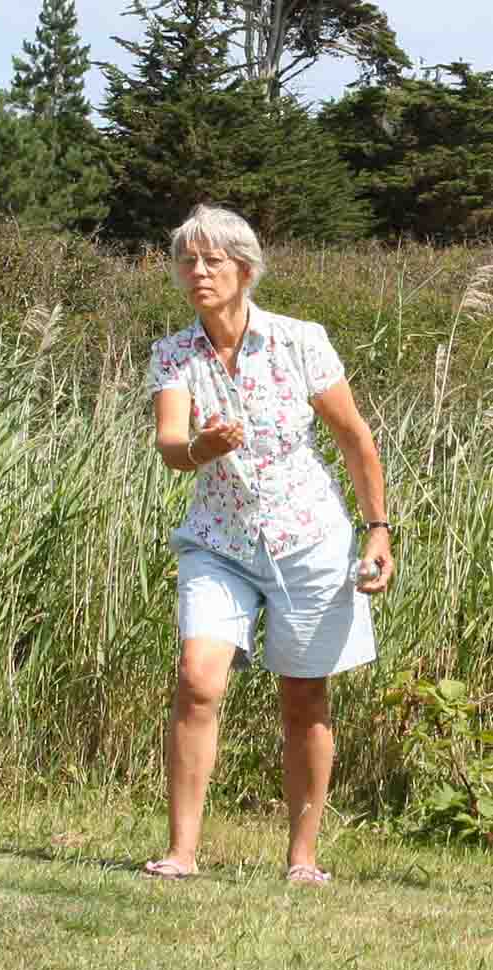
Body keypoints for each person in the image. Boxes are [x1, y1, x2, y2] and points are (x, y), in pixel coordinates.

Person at [145, 204, 393, 883]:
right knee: (198, 677)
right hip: (217, 541)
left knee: (303, 693)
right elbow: (171, 446)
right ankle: (181, 853)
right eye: (187, 261)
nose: (197, 272)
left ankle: (302, 858)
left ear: (245, 270)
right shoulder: (173, 352)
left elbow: (353, 437)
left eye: (212, 261)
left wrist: (378, 530)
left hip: (307, 538)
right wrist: (201, 445)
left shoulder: (299, 340)